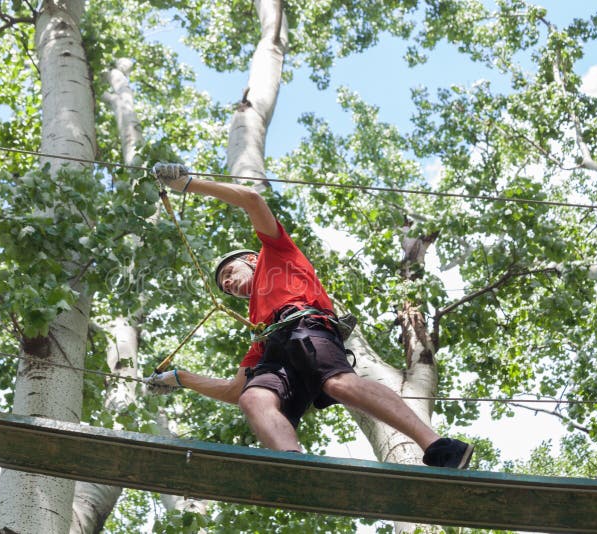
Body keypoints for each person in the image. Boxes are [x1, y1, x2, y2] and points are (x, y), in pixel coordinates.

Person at [145, 163, 473, 469]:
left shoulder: (277, 253)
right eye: (225, 289)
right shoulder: (259, 323)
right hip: (276, 344)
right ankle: (293, 464)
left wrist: (187, 184)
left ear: (249, 258)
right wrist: (180, 379)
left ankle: (438, 445)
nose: (228, 285)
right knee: (253, 398)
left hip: (306, 325)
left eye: (229, 274)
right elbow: (234, 389)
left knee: (338, 384)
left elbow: (252, 200)